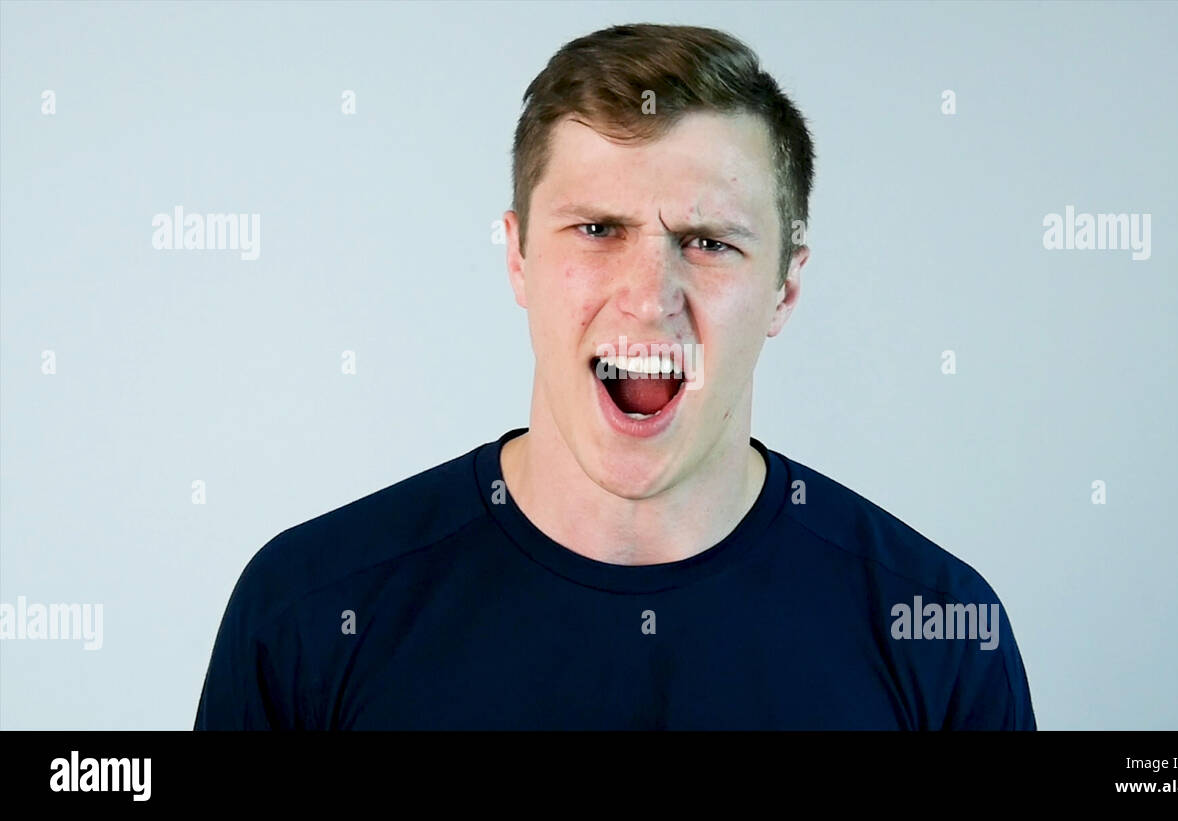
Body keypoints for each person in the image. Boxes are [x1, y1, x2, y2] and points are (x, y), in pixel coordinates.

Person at [195, 22, 1035, 730]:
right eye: (598, 228)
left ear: (785, 287)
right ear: (518, 257)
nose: (647, 297)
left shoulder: (941, 637)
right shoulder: (306, 613)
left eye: (708, 241)